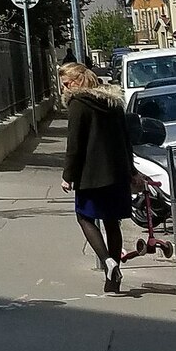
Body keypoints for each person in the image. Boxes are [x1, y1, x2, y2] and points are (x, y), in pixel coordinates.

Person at [60, 60, 137, 293]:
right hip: (117, 172)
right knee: (112, 222)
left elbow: (75, 144)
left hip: (91, 174)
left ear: (77, 81)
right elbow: (126, 140)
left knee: (84, 217)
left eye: (65, 84)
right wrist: (131, 171)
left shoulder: (78, 105)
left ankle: (108, 261)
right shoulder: (113, 103)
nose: (64, 89)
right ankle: (113, 283)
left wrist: (68, 175)